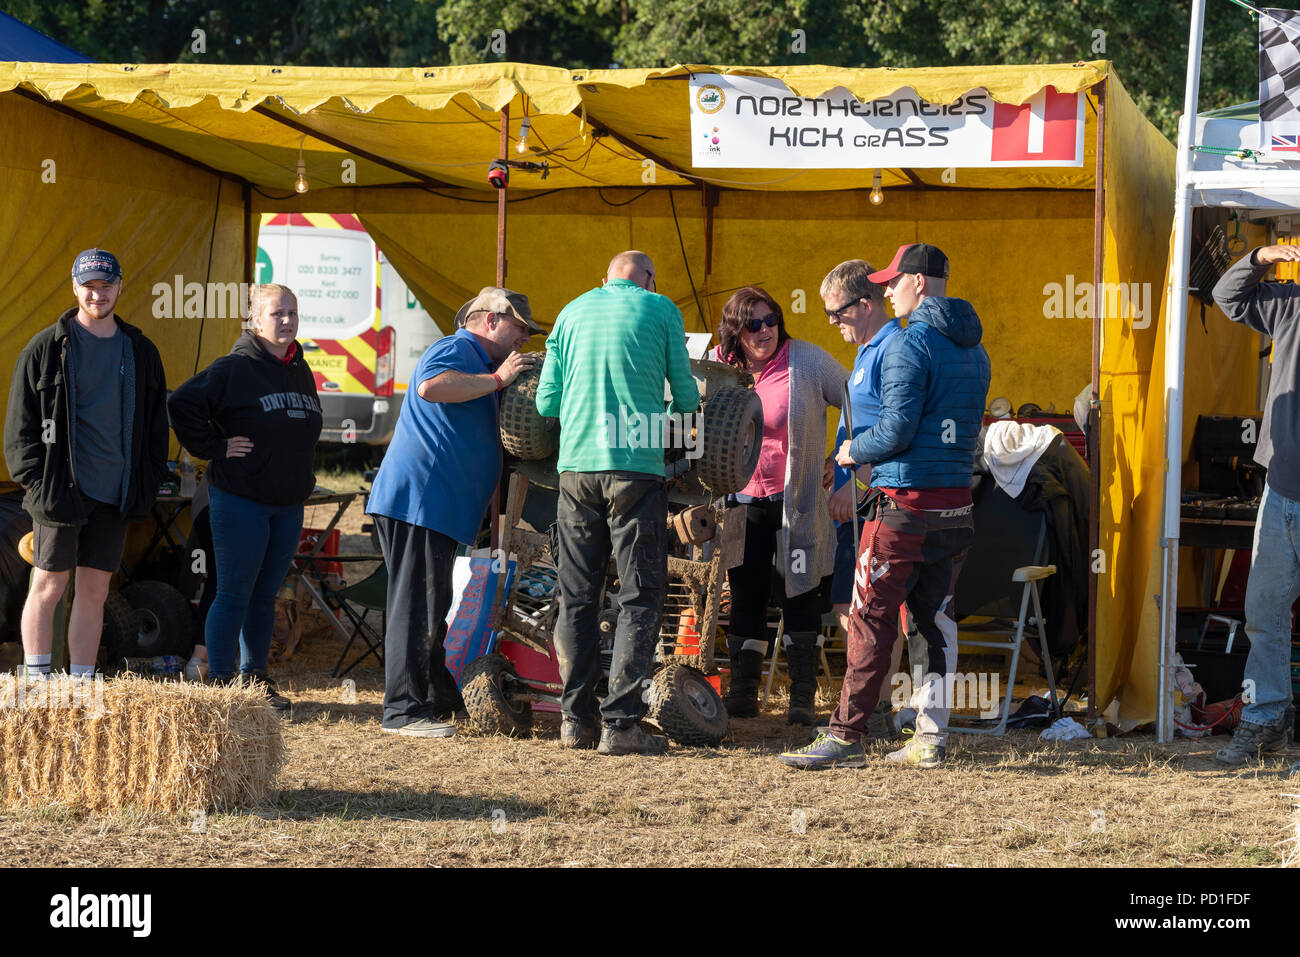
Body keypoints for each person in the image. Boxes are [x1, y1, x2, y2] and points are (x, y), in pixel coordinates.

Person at [780, 243, 990, 770]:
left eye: (893, 282)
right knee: (934, 621)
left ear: (918, 284)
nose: (887, 290)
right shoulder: (975, 348)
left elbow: (895, 430)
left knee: (870, 616)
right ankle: (930, 739)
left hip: (902, 505)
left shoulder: (906, 342)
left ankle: (847, 737)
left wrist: (850, 450)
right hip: (955, 506)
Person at [536, 251, 699, 755]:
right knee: (640, 595)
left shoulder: (570, 311)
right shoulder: (661, 308)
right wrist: (667, 410)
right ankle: (621, 725)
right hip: (636, 470)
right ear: (649, 279)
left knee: (578, 595)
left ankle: (574, 722)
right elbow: (689, 398)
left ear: (604, 277)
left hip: (576, 471)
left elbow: (545, 403)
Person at [366, 287, 542, 737]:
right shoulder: (455, 348)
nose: (524, 337)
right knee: (416, 604)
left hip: (436, 506)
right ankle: (402, 712)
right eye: (520, 328)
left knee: (432, 600)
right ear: (490, 321)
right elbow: (430, 386)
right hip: (421, 501)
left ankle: (438, 695)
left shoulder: (479, 363)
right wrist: (498, 380)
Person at [4, 249, 169, 679]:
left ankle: (81, 684)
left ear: (120, 286)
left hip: (115, 493)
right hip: (61, 492)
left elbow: (155, 428)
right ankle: (38, 683)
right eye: (89, 286)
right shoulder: (45, 348)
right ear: (75, 287)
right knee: (48, 586)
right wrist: (40, 487)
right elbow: (19, 433)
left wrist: (145, 485)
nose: (98, 294)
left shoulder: (141, 351)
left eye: (106, 285)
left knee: (94, 592)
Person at [168, 283, 321, 711]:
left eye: (292, 312)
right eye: (277, 313)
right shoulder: (234, 367)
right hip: (241, 499)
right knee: (234, 592)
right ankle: (221, 684)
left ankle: (255, 681)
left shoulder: (298, 368)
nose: (287, 320)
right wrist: (216, 446)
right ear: (254, 319)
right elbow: (182, 403)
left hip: (287, 504)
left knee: (265, 594)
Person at [711, 286, 845, 724]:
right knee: (745, 595)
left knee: (800, 591)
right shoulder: (719, 366)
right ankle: (744, 693)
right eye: (754, 323)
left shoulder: (806, 360)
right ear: (736, 330)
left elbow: (859, 399)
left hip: (799, 501)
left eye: (771, 320)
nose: (765, 330)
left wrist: (841, 459)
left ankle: (802, 698)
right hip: (739, 500)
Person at [1210, 244, 1300, 765]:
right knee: (1265, 615)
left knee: (1268, 616)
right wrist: (1260, 255)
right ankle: (1265, 721)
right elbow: (1225, 294)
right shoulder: (1290, 303)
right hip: (1282, 487)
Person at [820, 260, 904, 738]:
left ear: (864, 304)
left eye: (837, 312)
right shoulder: (870, 350)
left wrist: (860, 480)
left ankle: (875, 708)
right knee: (852, 606)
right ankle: (869, 703)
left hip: (872, 499)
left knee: (868, 609)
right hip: (855, 498)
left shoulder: (891, 349)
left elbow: (899, 426)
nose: (832, 322)